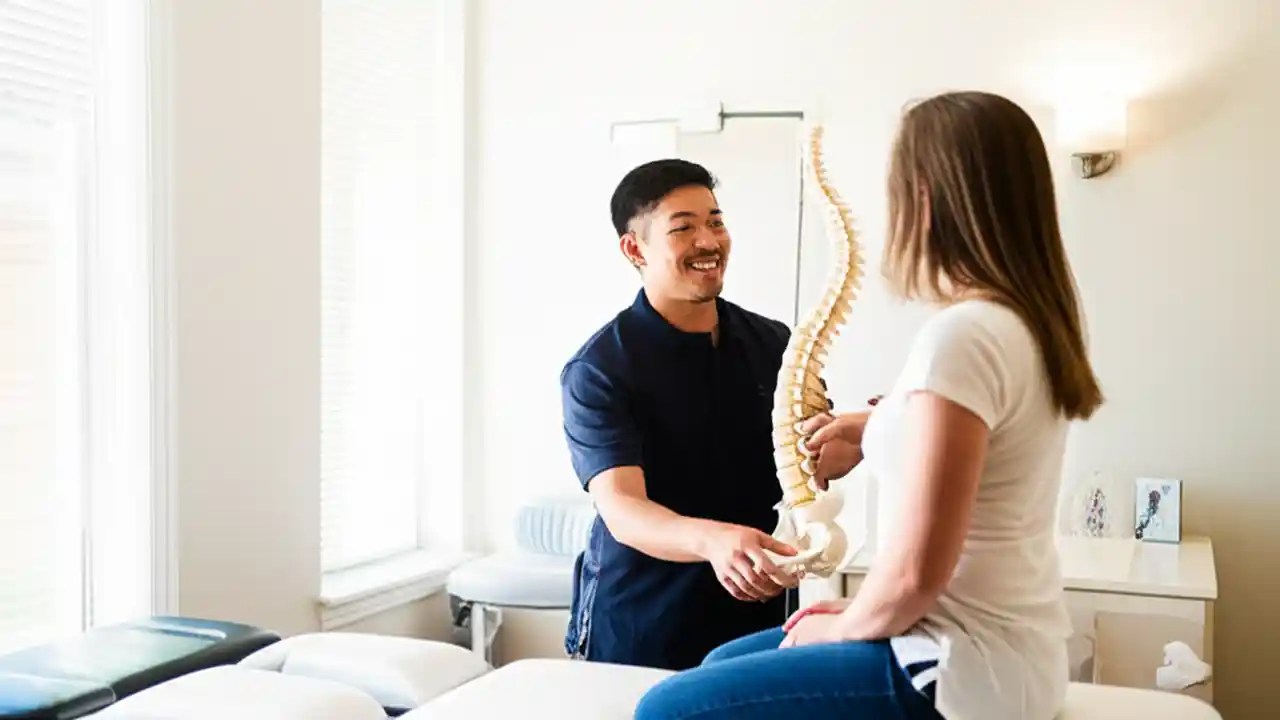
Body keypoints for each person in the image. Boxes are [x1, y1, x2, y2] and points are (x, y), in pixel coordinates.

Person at [634, 90, 1105, 720]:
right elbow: (972, 446)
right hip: (999, 647)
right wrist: (872, 423)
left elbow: (914, 576)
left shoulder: (960, 339)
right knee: (723, 664)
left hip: (959, 665)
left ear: (928, 196)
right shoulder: (1020, 324)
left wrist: (852, 621)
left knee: (665, 710)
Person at [558, 158, 858, 671]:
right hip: (643, 622)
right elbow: (623, 509)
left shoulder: (774, 344)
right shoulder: (600, 369)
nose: (708, 241)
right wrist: (715, 540)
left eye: (715, 222)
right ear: (635, 248)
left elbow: (818, 463)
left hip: (756, 609)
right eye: (683, 228)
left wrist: (879, 429)